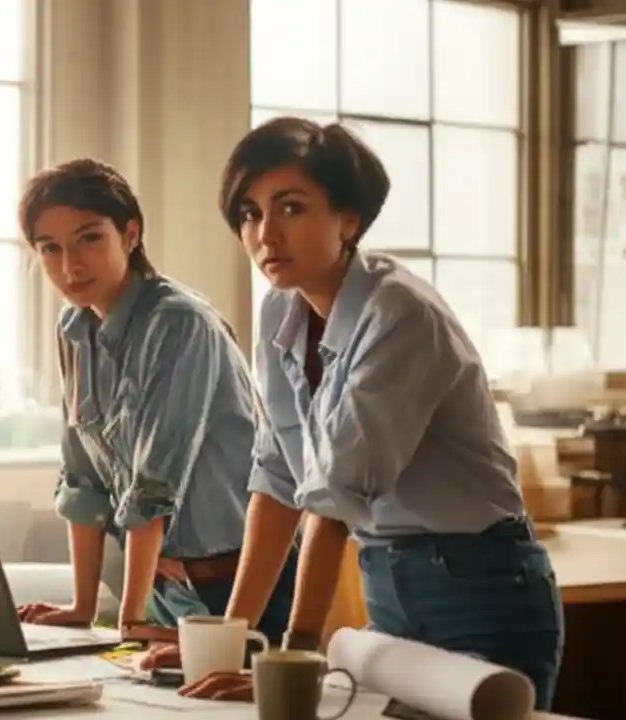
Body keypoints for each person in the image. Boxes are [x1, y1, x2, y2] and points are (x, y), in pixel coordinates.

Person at [142, 117, 564, 709]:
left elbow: (336, 493)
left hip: (480, 588)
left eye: (290, 208)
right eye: (249, 213)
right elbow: (279, 476)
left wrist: (294, 656)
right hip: (386, 588)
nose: (266, 233)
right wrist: (228, 641)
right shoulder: (280, 311)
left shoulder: (400, 314)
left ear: (349, 220)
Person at [13, 158, 297, 644]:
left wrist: (131, 621)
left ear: (129, 234)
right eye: (50, 249)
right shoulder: (74, 328)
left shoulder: (179, 323)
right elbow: (81, 479)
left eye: (89, 238)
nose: (70, 265)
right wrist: (83, 609)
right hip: (165, 587)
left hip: (237, 586)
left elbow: (154, 483)